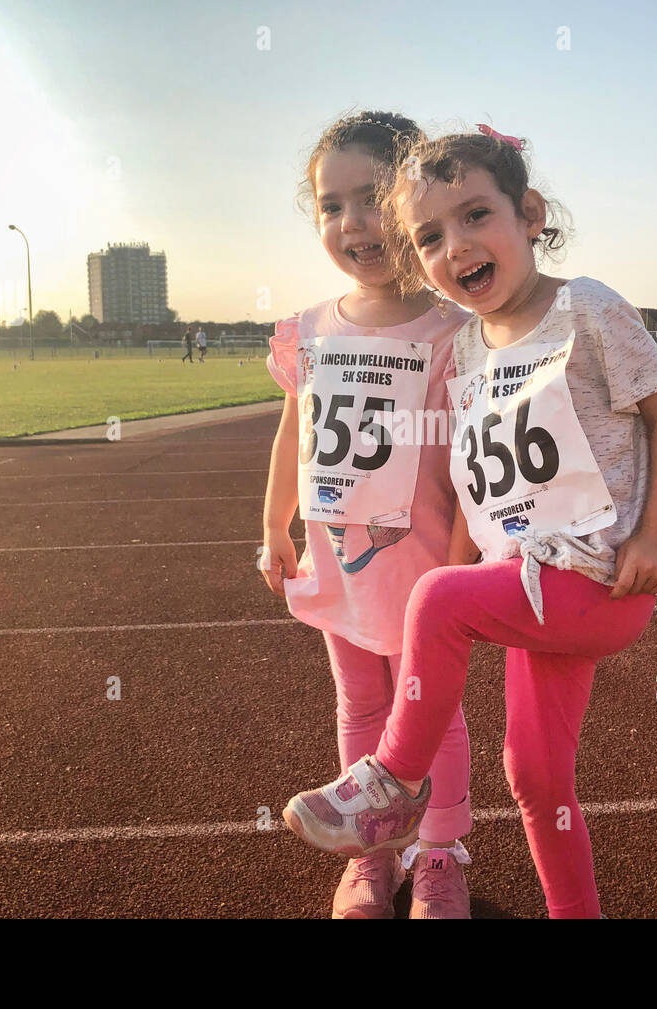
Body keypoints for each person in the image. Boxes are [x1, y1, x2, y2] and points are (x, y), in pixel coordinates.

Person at [283, 125, 657, 919]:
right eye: (430, 235)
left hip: (598, 577)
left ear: (530, 213)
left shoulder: (588, 308)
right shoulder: (467, 346)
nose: (455, 244)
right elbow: (480, 478)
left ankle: (394, 785)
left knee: (434, 601)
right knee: (536, 777)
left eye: (475, 215)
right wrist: (469, 554)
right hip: (527, 584)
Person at [261, 111, 476, 918]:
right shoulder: (310, 330)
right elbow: (296, 430)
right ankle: (372, 854)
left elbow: (467, 461)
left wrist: (459, 563)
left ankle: (442, 852)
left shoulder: (455, 328)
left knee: (433, 719)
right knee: (359, 707)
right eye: (330, 205)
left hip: (425, 570)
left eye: (373, 198)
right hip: (342, 566)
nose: (352, 222)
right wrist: (274, 523)